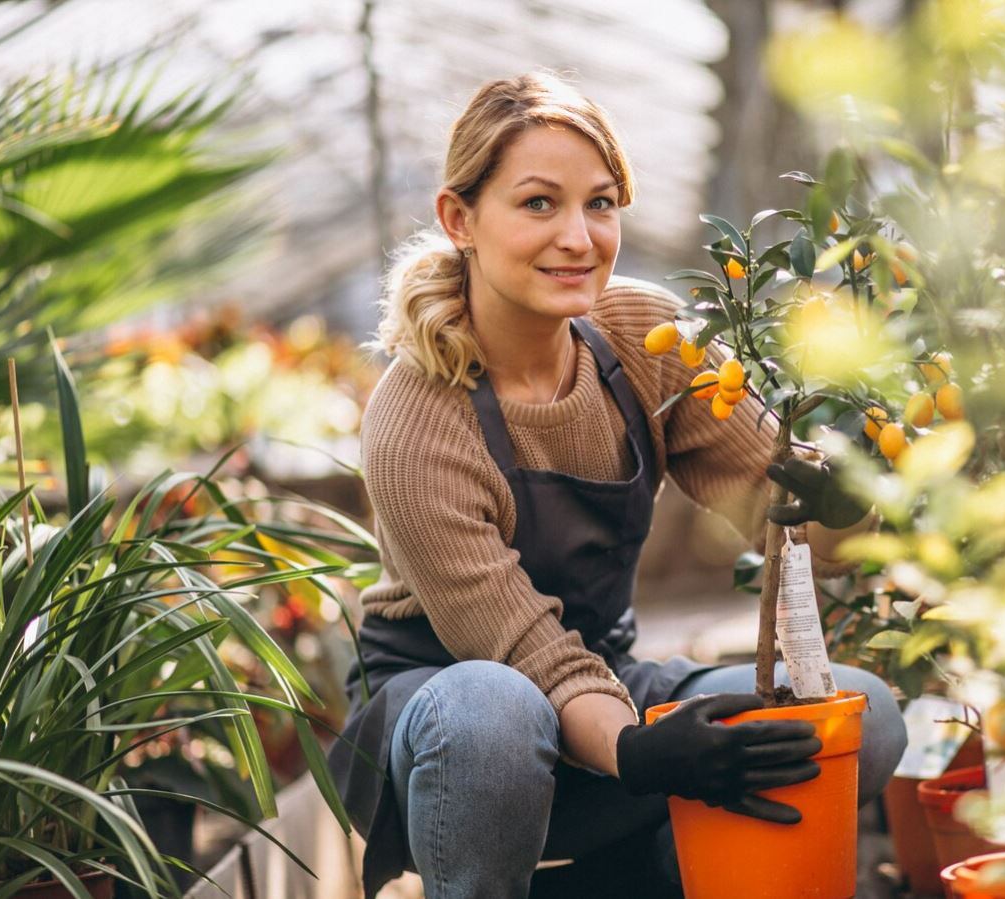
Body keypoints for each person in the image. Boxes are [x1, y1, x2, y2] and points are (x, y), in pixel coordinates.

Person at [329, 72, 908, 899]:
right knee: (494, 713)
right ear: (460, 220)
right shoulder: (416, 415)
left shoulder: (642, 335)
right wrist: (642, 749)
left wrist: (843, 505)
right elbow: (525, 656)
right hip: (449, 722)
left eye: (600, 204)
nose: (579, 237)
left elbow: (783, 526)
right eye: (538, 203)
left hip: (606, 675)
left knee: (863, 714)